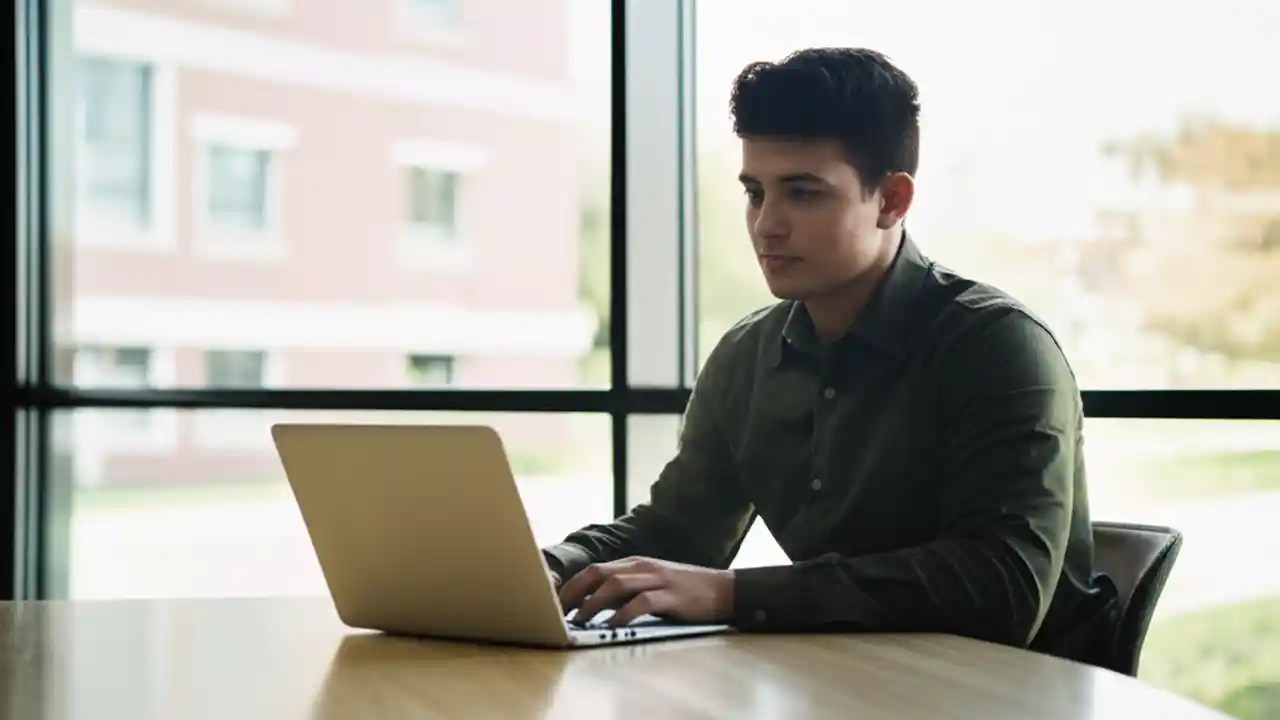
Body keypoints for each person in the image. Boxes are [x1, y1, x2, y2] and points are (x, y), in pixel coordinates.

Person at [543, 47, 1119, 664]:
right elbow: (678, 531)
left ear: (892, 200)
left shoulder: (997, 346)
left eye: (803, 194)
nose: (766, 224)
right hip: (852, 679)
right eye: (755, 193)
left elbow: (1002, 587)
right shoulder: (747, 355)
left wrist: (733, 595)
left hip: (1014, 691)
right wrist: (548, 567)